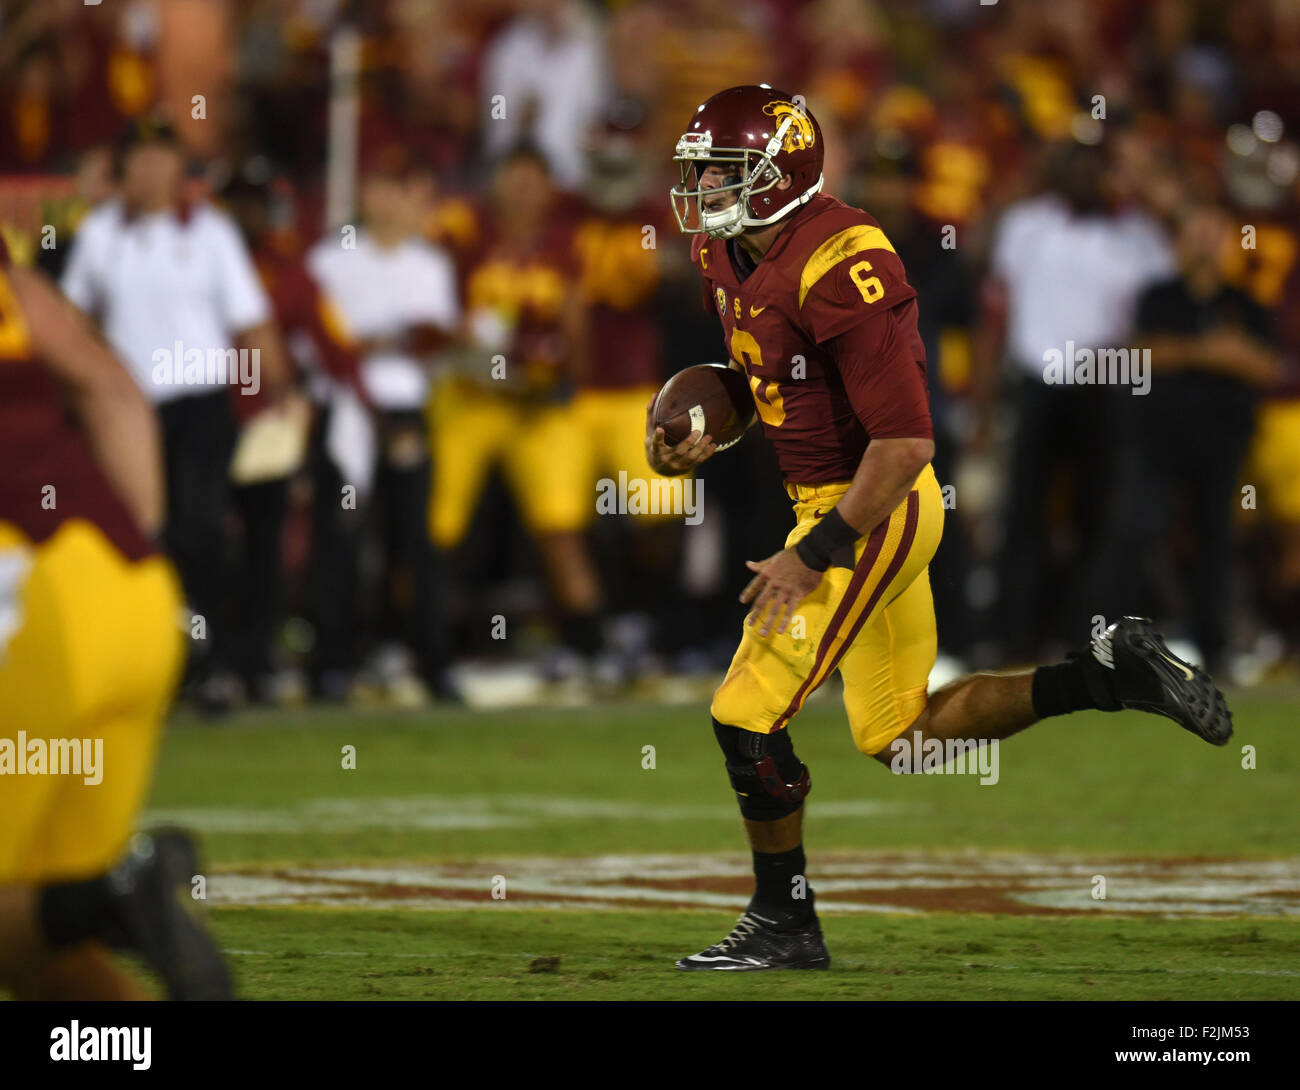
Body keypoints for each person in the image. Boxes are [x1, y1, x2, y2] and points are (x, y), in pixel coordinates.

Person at [650, 85, 1234, 972]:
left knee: (745, 709)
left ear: (784, 171)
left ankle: (784, 922)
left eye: (727, 172)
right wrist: (708, 423)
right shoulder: (726, 250)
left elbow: (907, 441)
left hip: (873, 502)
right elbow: (769, 370)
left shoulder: (842, 260)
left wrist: (813, 552)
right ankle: (1109, 676)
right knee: (905, 738)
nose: (706, 189)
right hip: (835, 499)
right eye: (702, 171)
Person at [0, 236, 230, 1000]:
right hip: (130, 585)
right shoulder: (13, 275)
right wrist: (153, 555)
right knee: (37, 953)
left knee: (42, 915)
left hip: (27, 608)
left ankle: (112, 897)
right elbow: (110, 389)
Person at [60, 116, 290, 714]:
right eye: (140, 159)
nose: (152, 171)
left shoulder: (210, 232)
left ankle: (208, 662)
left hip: (201, 401)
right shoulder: (100, 234)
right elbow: (75, 322)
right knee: (143, 536)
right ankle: (152, 662)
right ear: (123, 169)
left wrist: (277, 392)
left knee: (200, 530)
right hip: (131, 409)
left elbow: (250, 323)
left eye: (163, 158)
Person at [1092, 203, 1281, 675]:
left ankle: (1213, 647)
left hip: (1222, 441)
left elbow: (1266, 365)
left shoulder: (1245, 301)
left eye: (1212, 235)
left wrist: (1191, 353)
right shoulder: (1159, 296)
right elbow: (1140, 354)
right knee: (1136, 530)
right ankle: (1111, 642)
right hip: (1158, 438)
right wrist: (1212, 352)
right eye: (1195, 234)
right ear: (1179, 244)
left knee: (1216, 540)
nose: (1204, 245)